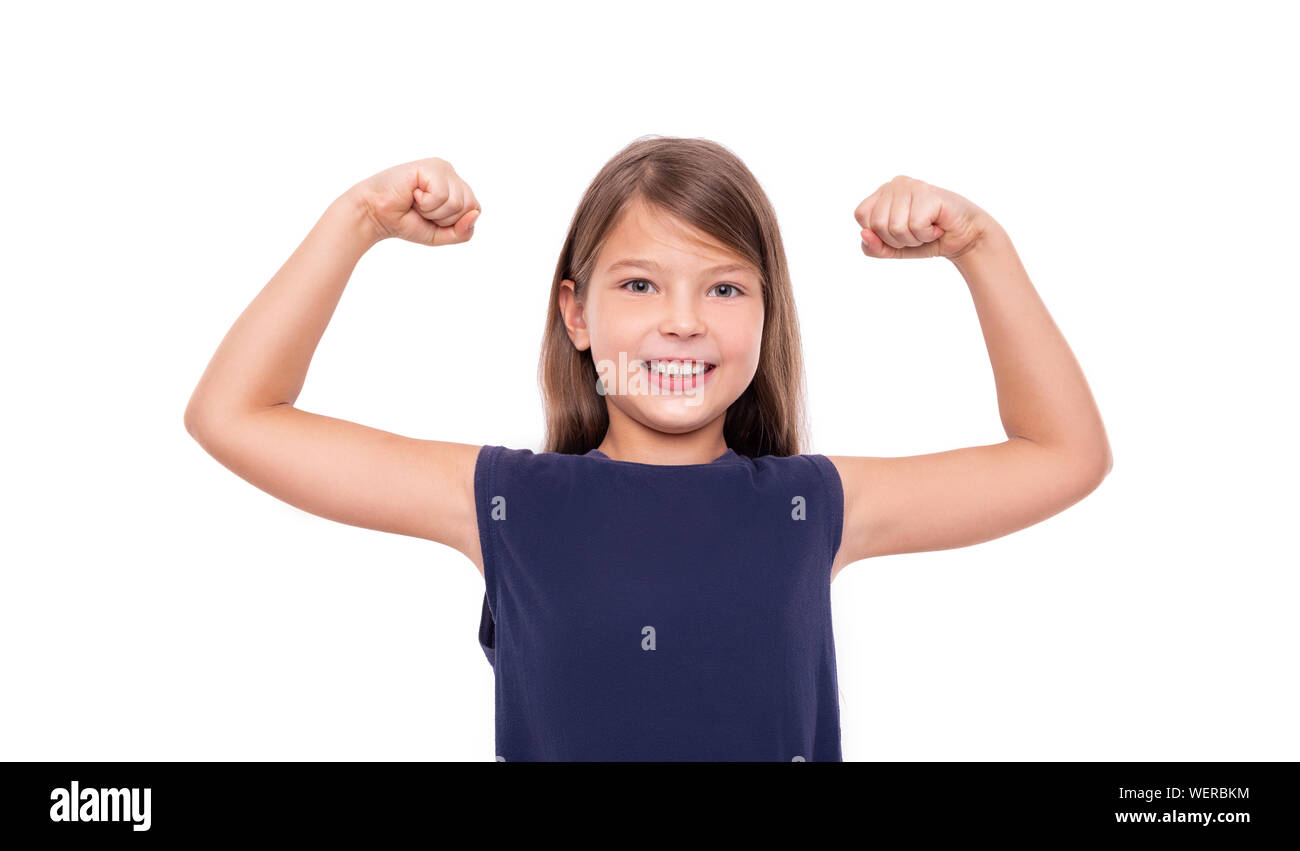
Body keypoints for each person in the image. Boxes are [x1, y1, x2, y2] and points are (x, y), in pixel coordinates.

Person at [184, 136, 1113, 761]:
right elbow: (235, 413)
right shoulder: (507, 500)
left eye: (724, 290)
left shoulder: (812, 505)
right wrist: (356, 222)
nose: (681, 323)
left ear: (765, 316)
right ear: (576, 313)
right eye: (638, 284)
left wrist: (980, 246)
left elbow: (1064, 452)